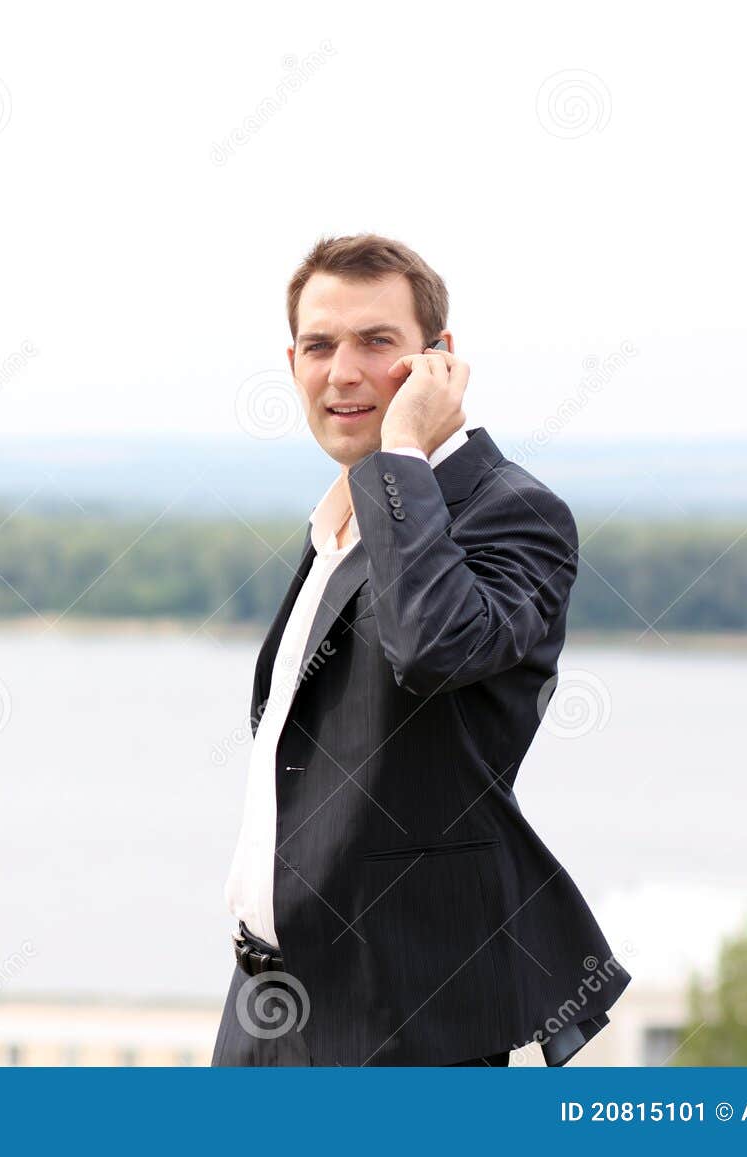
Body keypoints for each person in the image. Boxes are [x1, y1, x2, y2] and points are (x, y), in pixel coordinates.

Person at [214, 234, 629, 1067]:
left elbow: (433, 648)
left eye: (378, 343)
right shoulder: (336, 513)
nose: (343, 372)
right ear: (291, 360)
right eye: (320, 346)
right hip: (265, 1007)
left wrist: (403, 451)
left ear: (440, 360)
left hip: (405, 1017)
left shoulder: (512, 511)